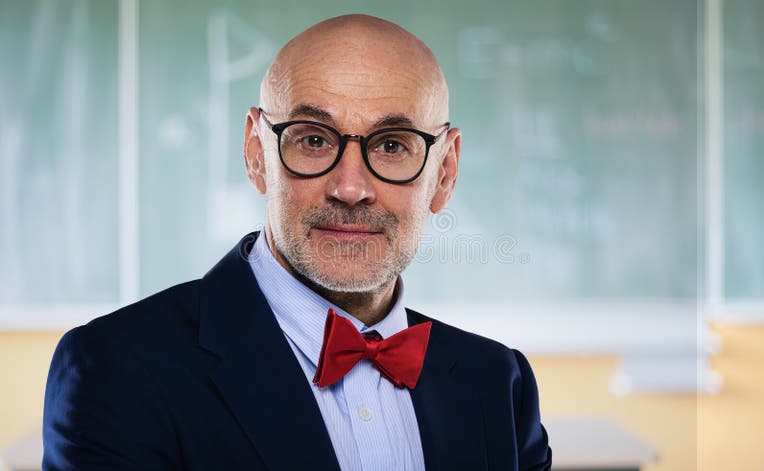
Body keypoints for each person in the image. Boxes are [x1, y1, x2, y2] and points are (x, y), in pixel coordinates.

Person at [43, 14, 551, 471]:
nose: (350, 188)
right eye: (313, 140)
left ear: (445, 173)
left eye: (393, 145)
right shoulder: (116, 370)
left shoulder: (499, 384)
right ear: (256, 154)